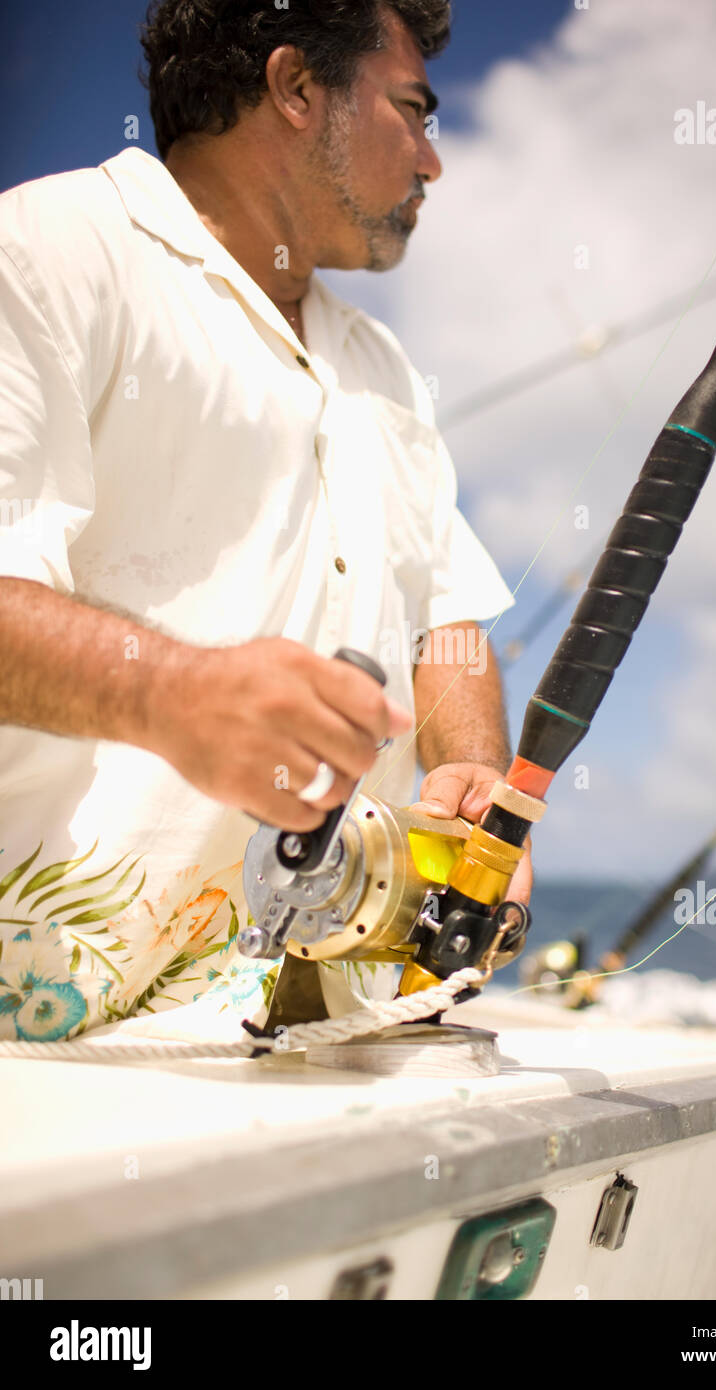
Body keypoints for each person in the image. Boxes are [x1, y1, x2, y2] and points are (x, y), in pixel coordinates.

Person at [0, 0, 530, 1042]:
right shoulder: (46, 254)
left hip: (331, 1035)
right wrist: (171, 693)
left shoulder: (382, 367)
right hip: (55, 1056)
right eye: (412, 111)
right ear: (295, 89)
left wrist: (465, 771)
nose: (432, 161)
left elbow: (445, 620)